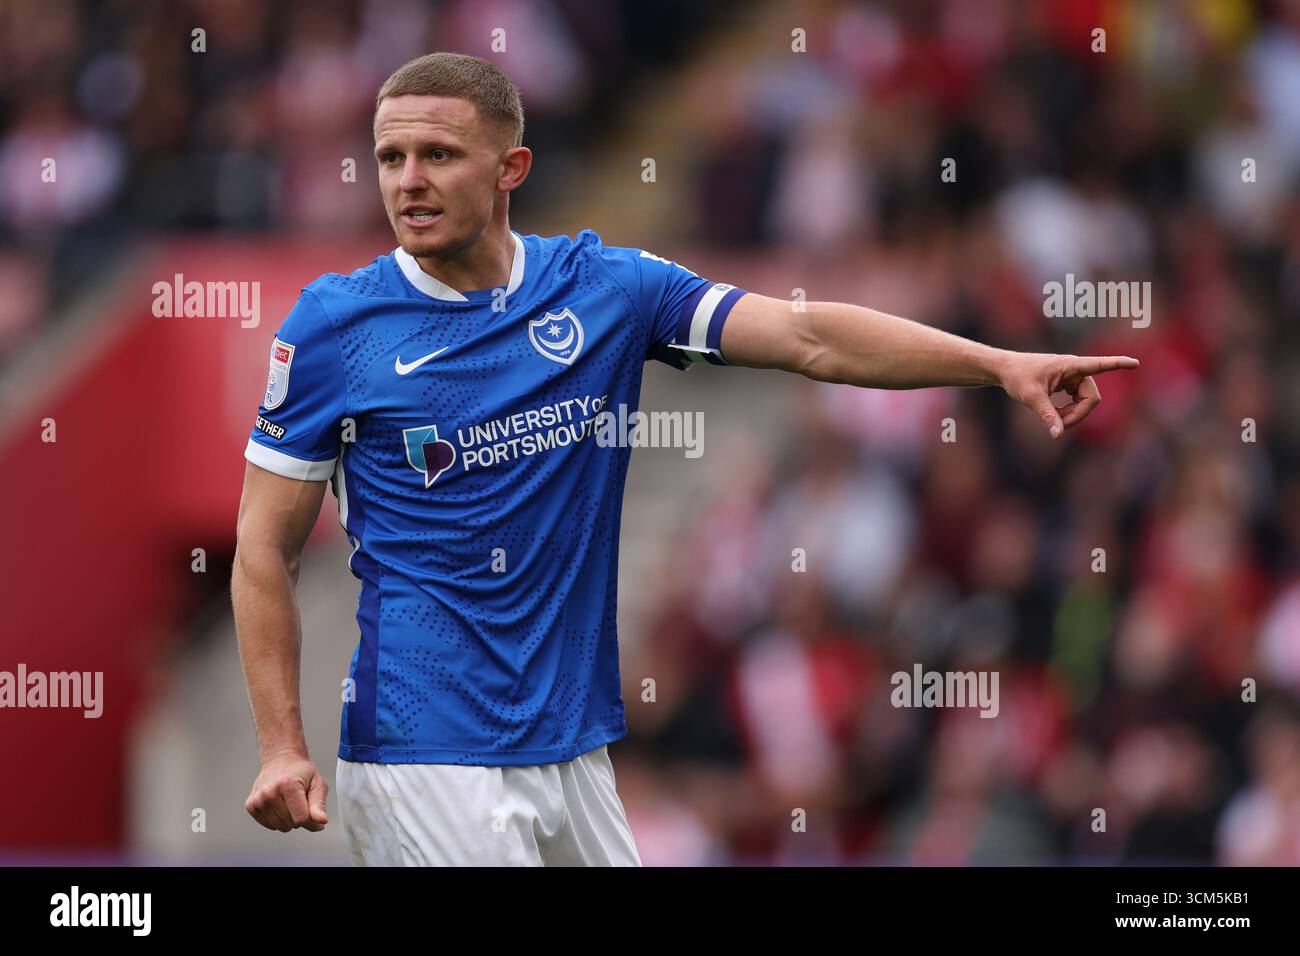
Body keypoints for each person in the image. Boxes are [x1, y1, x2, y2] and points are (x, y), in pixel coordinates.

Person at [231, 51, 1139, 866]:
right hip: (423, 746)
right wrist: (281, 744)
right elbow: (262, 549)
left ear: (511, 169)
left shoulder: (607, 290)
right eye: (391, 158)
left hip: (569, 747)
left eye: (438, 155)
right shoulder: (334, 328)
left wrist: (996, 365)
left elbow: (809, 337)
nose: (408, 182)